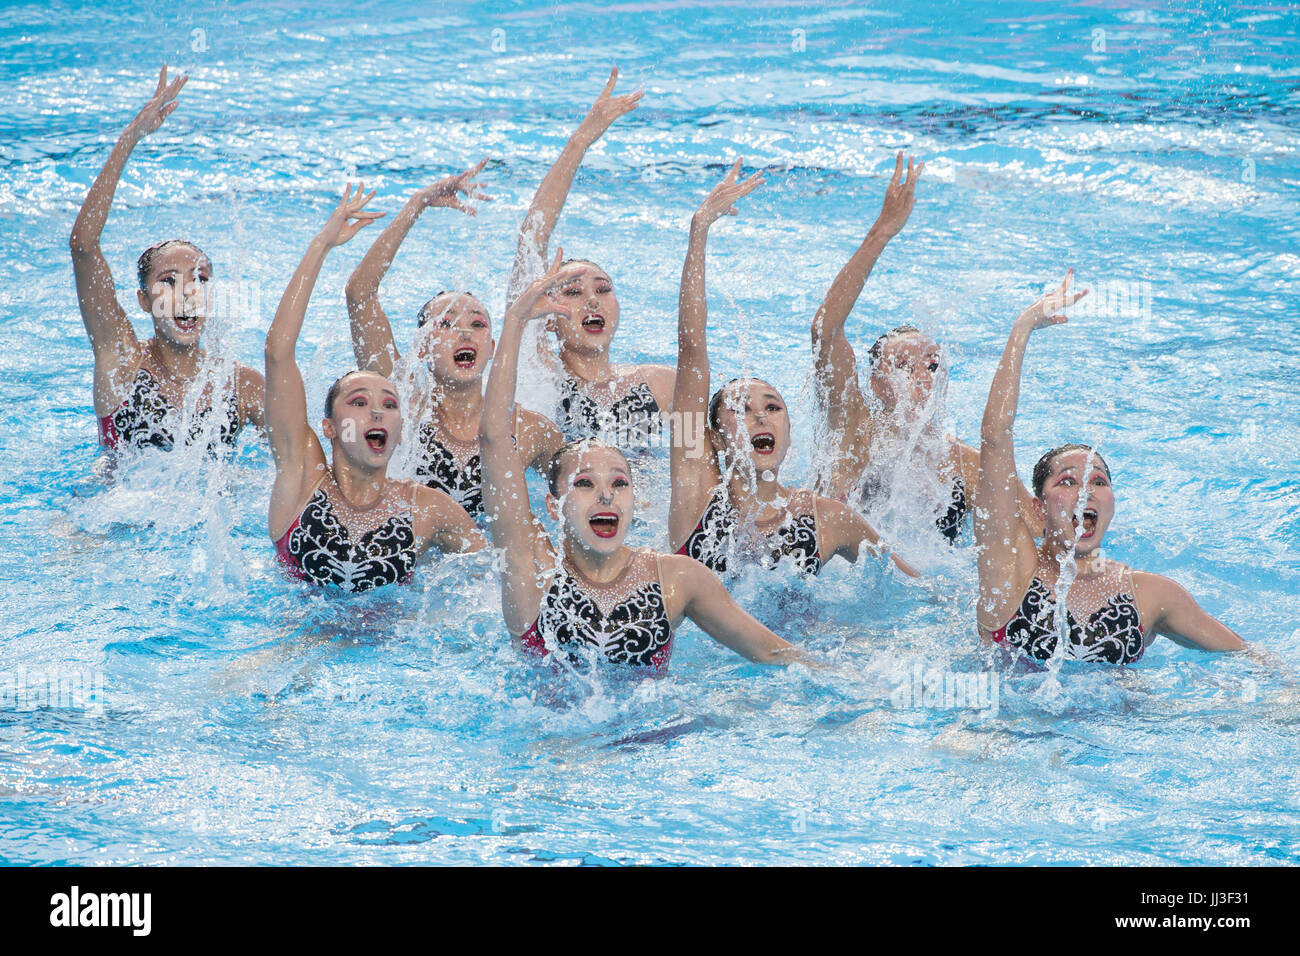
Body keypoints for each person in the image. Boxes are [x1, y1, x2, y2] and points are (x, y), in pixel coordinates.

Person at [480, 252, 812, 675]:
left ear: (635, 498)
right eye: (584, 484)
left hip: (662, 737)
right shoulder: (532, 575)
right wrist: (514, 321)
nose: (606, 496)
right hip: (556, 744)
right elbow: (494, 442)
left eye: (620, 484)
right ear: (552, 505)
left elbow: (773, 653)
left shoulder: (677, 580)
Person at [975, 271, 1247, 662]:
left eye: (1097, 481)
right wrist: (1024, 327)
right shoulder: (1011, 569)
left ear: (1113, 502)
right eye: (1067, 481)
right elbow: (995, 438)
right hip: (1013, 723)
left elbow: (1249, 655)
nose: (1084, 490)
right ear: (1038, 507)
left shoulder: (1151, 595)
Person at [668, 162, 919, 578]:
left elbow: (913, 587)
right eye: (742, 409)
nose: (761, 416)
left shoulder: (825, 518)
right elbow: (691, 352)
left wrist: (883, 231)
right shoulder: (695, 494)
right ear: (711, 435)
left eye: (772, 407)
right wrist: (700, 230)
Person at [264, 184, 486, 592]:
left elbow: (494, 576)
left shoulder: (427, 509)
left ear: (403, 427)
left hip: (394, 648)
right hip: (292, 646)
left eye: (388, 404)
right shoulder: (300, 480)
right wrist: (321, 245)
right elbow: (279, 353)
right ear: (328, 427)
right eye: (359, 402)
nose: (378, 412)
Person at [810, 152, 1035, 541]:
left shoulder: (964, 464)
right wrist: (881, 231)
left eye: (930, 365)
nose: (920, 376)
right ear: (875, 384)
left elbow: (1039, 533)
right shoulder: (853, 430)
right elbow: (825, 332)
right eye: (902, 365)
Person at [344, 160, 562, 518]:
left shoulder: (529, 429)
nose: (464, 332)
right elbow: (360, 295)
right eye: (446, 324)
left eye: (478, 324)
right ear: (423, 347)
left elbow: (579, 482)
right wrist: (417, 203)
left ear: (493, 349)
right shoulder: (401, 409)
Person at [70, 66, 264, 456]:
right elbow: (83, 246)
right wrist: (130, 138)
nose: (187, 292)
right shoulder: (122, 362)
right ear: (143, 300)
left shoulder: (242, 385)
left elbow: (299, 465)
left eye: (199, 280)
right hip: (114, 516)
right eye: (169, 280)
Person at [508, 67, 674, 452]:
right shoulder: (540, 379)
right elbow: (531, 239)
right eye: (573, 291)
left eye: (602, 289)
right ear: (546, 319)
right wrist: (581, 140)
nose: (592, 299)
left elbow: (696, 462)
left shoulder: (662, 385)